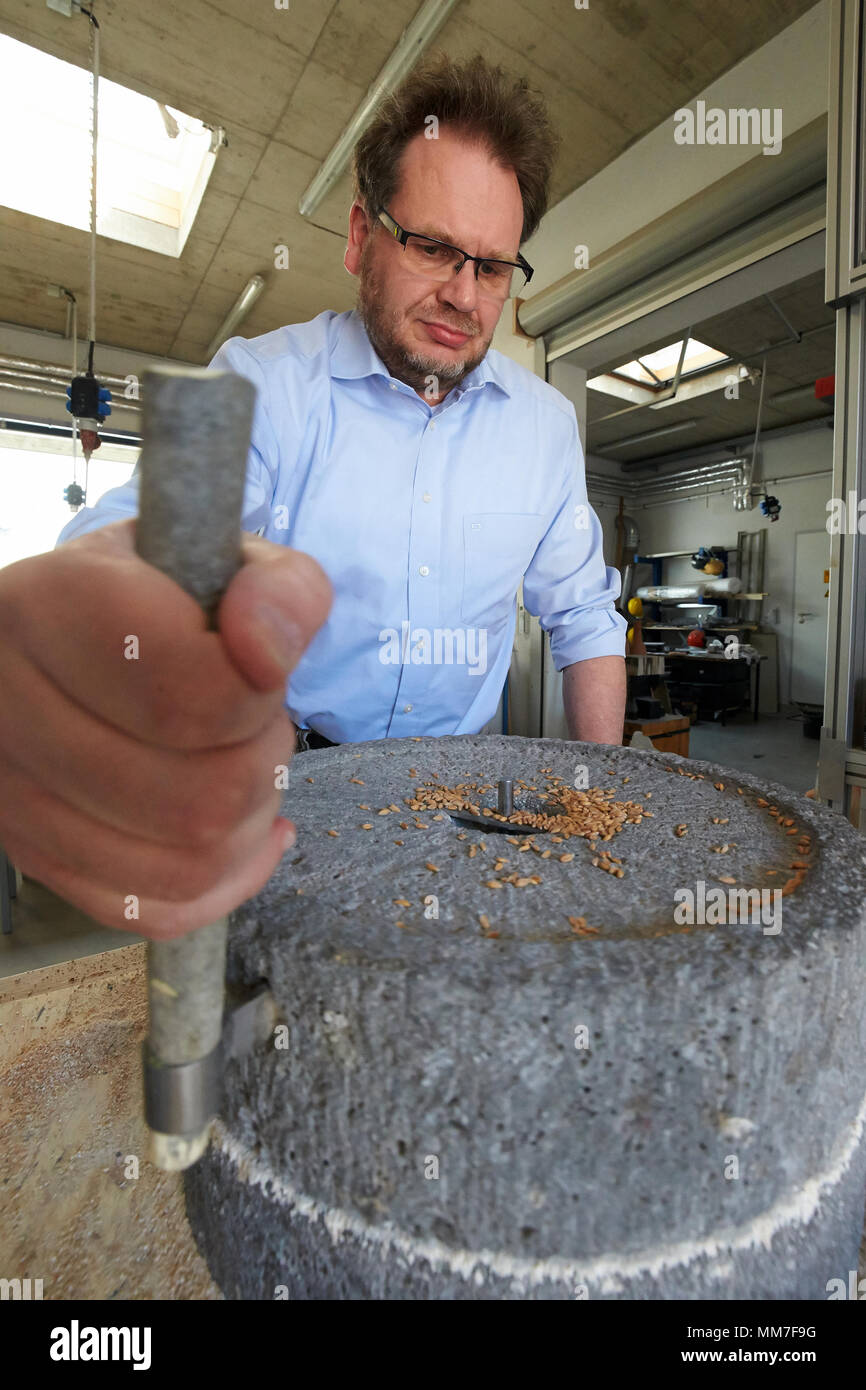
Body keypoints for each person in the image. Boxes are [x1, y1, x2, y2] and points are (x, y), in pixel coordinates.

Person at [0, 54, 625, 938]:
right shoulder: (253, 382)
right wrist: (87, 634)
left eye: (491, 266)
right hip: (300, 797)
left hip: (480, 801)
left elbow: (585, 618)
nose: (462, 293)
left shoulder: (547, 427)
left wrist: (600, 805)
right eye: (434, 246)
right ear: (360, 236)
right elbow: (146, 540)